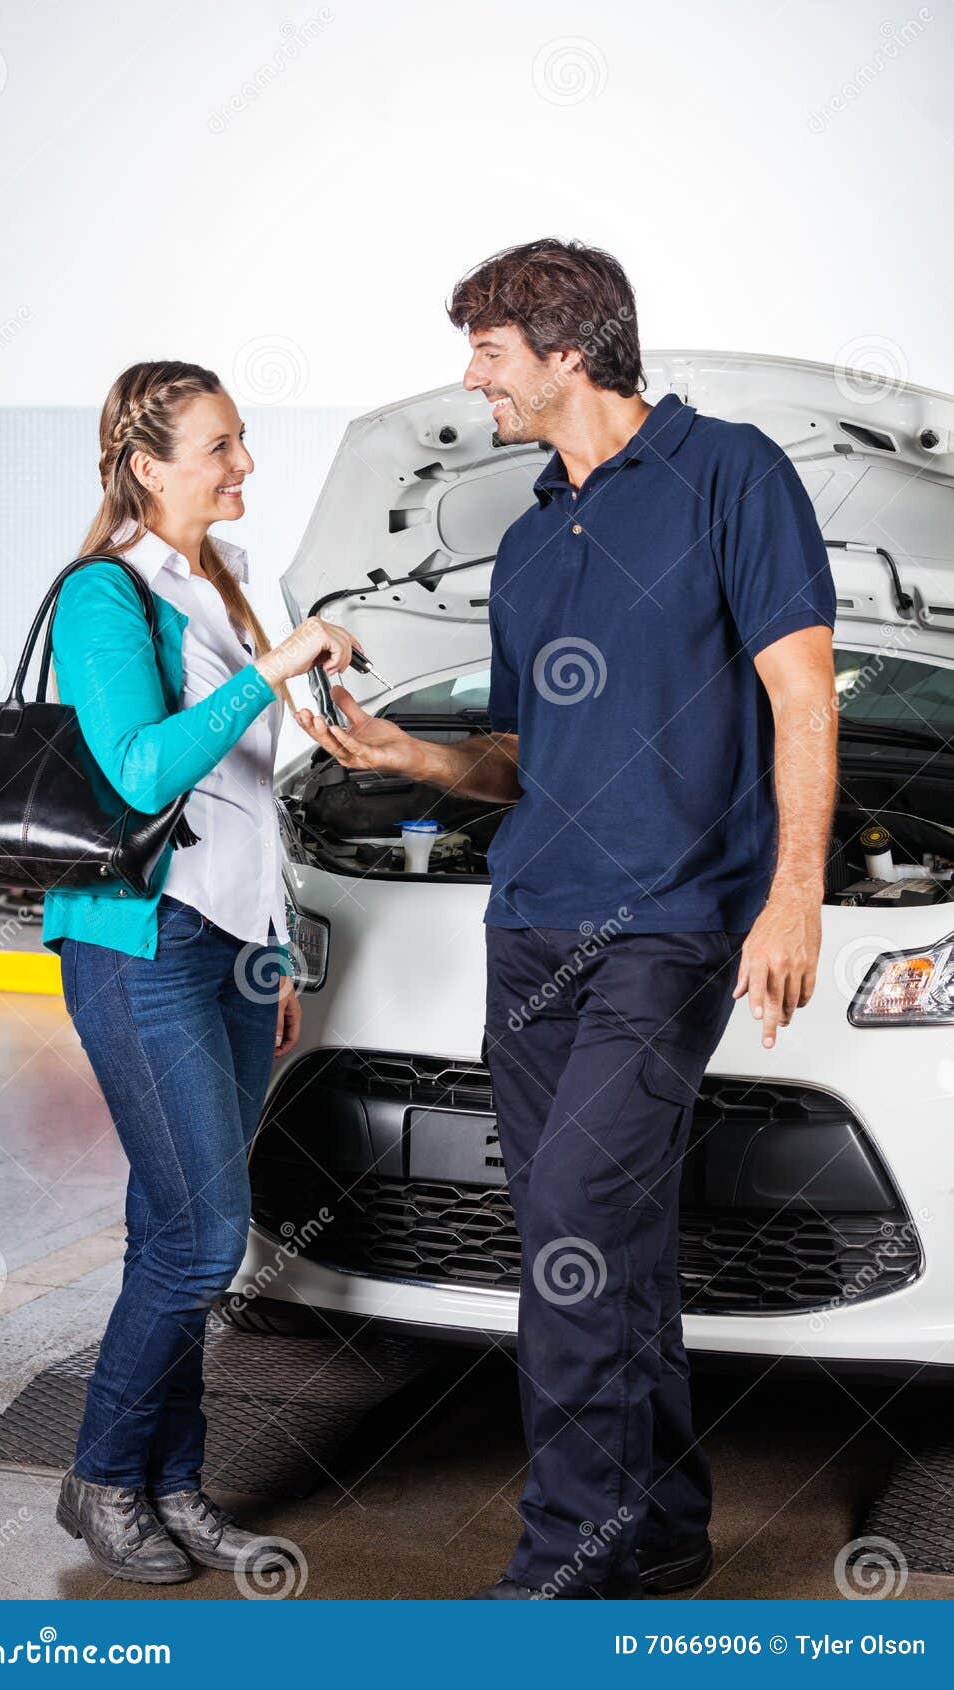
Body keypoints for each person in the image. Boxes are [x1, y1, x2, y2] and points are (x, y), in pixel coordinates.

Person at [296, 241, 839, 1599]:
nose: (469, 376)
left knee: (572, 1237)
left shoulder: (730, 475)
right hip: (529, 925)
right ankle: (657, 1532)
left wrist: (790, 893)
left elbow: (801, 695)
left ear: (563, 349)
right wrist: (414, 762)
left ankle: (564, 1561)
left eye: (485, 349)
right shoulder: (532, 538)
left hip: (666, 927)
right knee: (603, 1237)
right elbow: (523, 757)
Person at [44, 360, 356, 1584]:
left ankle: (175, 1480)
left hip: (229, 952)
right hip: (140, 947)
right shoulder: (102, 594)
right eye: (220, 446)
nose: (244, 467)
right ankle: (105, 1476)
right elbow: (137, 768)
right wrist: (267, 672)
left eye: (242, 443)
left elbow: (248, 803)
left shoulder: (213, 586)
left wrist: (273, 953)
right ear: (147, 463)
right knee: (201, 1242)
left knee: (163, 1232)